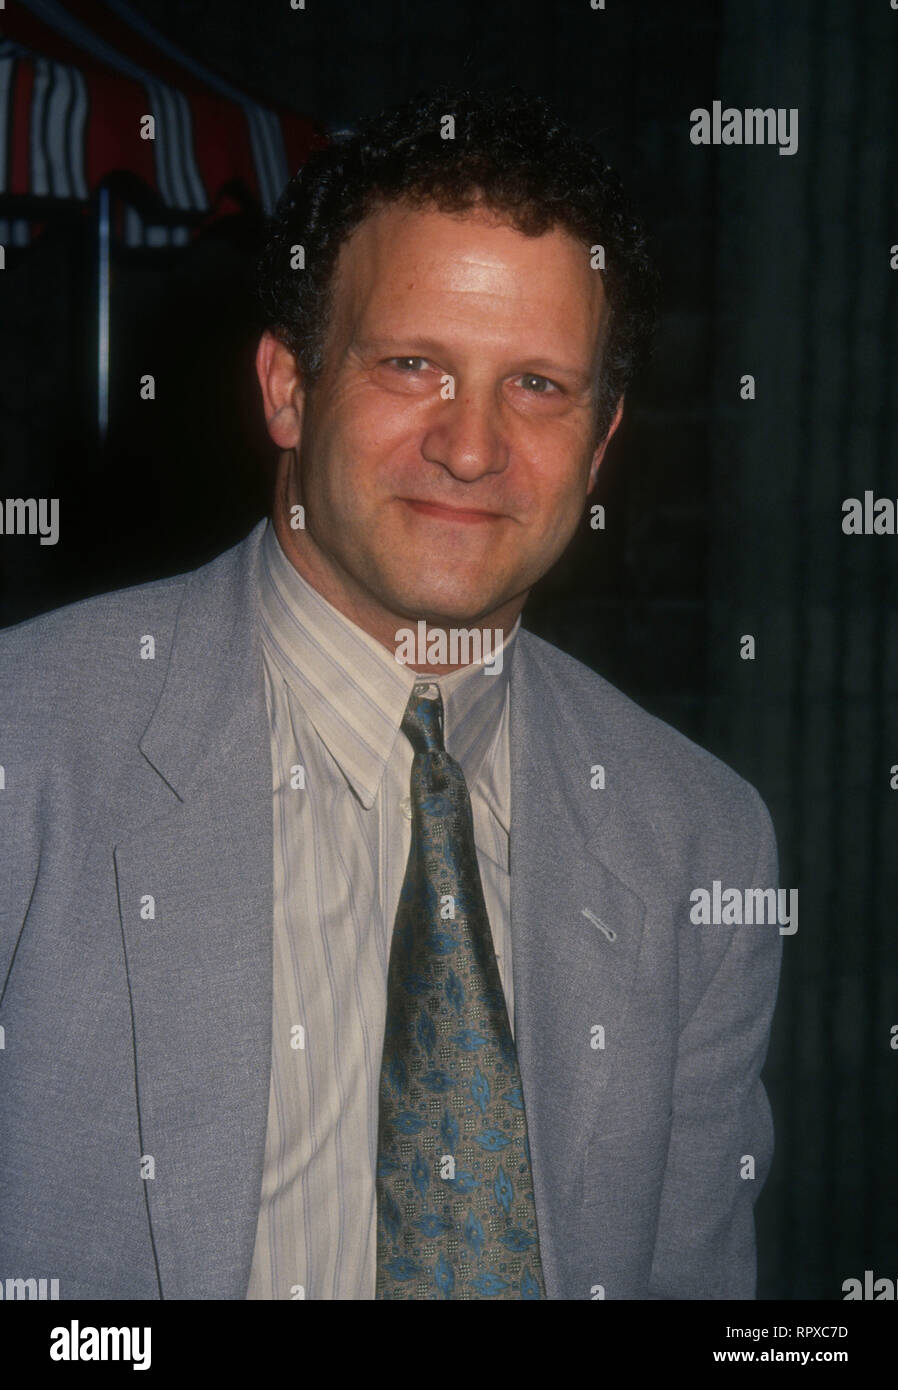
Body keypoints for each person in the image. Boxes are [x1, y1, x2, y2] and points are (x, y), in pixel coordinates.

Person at [0, 87, 781, 1301]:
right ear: (286, 388)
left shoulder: (698, 836)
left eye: (537, 386)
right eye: (412, 364)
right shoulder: (30, 748)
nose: (471, 447)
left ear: (602, 439)